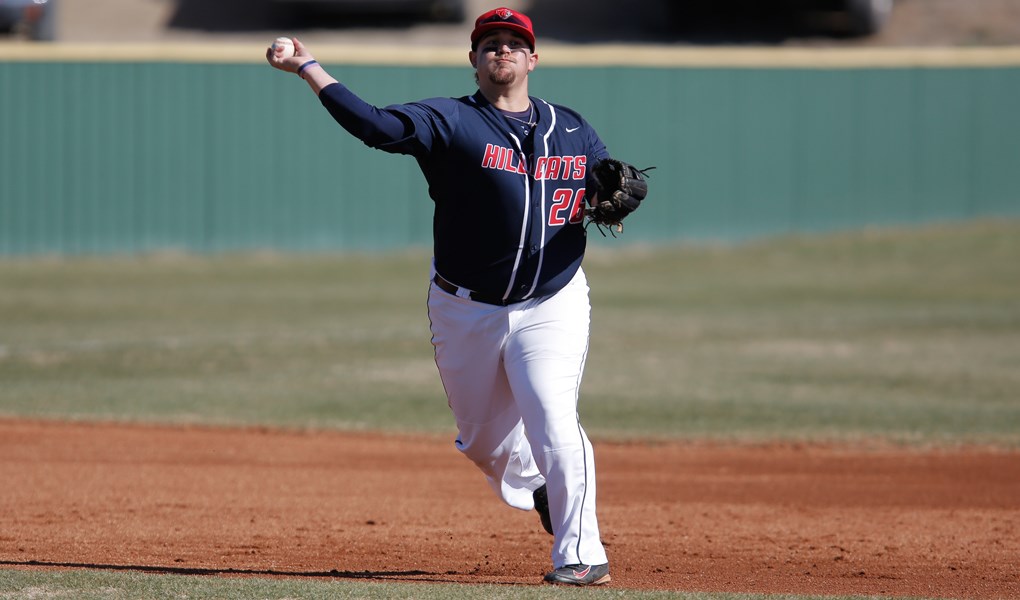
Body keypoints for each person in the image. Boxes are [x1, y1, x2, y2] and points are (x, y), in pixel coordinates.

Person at [267, 7, 614, 586]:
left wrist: (618, 193)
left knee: (555, 418)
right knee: (484, 443)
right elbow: (376, 127)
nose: (502, 51)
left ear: (533, 58)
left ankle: (580, 554)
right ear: (474, 60)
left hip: (551, 302)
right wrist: (309, 67)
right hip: (465, 306)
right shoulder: (450, 120)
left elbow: (609, 183)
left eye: (513, 43)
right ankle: (538, 488)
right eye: (490, 44)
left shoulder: (572, 128)